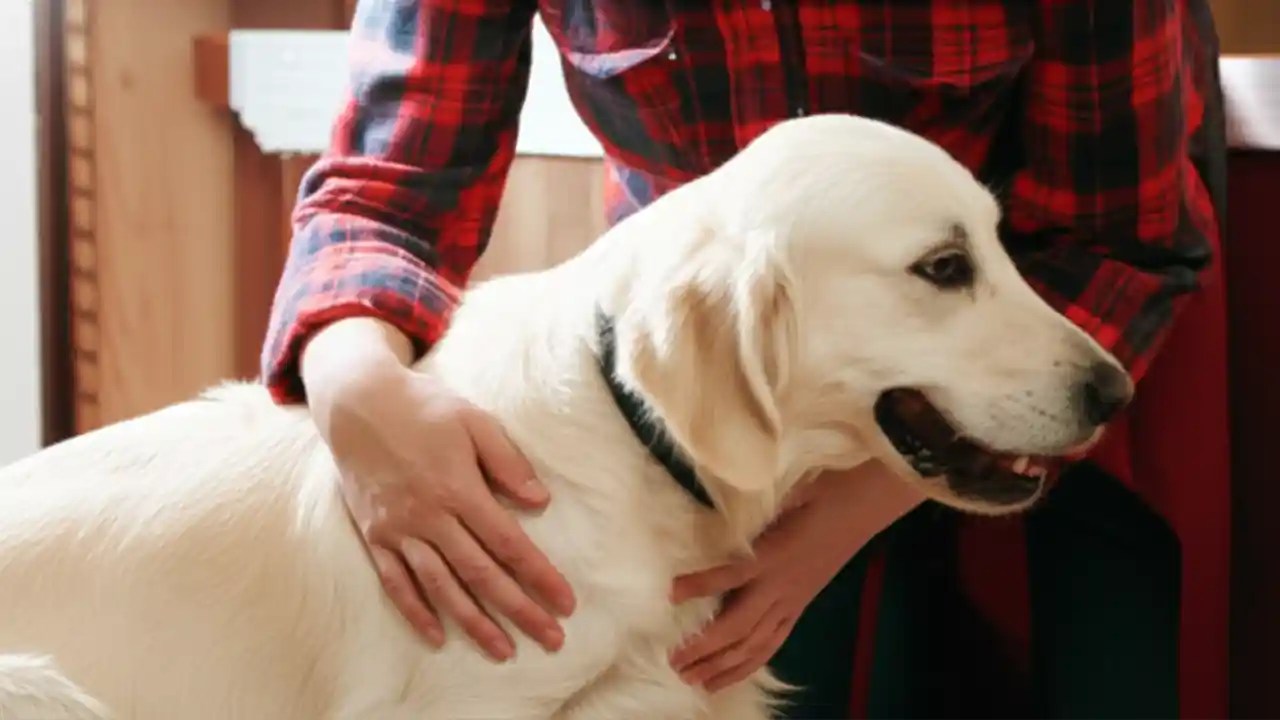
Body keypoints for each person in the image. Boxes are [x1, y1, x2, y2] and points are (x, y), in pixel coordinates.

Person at [263, 2, 1228, 717]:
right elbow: (388, 191)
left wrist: (865, 497)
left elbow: (1123, 240)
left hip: (1048, 335)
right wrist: (354, 390)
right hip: (715, 392)